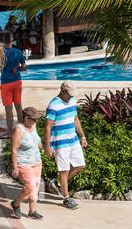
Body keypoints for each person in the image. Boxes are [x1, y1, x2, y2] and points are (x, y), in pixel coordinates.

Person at [44, 80, 87, 209]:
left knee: (80, 165)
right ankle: (66, 198)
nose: (72, 96)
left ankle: (60, 184)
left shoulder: (72, 101)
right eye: (70, 93)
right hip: (60, 142)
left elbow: (75, 119)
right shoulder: (54, 105)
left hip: (73, 139)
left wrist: (82, 135)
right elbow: (47, 127)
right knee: (64, 170)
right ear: (63, 91)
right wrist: (47, 146)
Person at [8, 106, 45, 220]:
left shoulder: (33, 126)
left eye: (36, 119)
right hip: (24, 162)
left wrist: (47, 149)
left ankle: (32, 211)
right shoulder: (18, 130)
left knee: (36, 187)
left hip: (37, 162)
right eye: (34, 119)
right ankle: (15, 204)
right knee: (29, 186)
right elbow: (14, 149)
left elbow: (37, 142)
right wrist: (15, 167)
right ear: (26, 118)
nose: (36, 121)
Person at [0, 36, 27, 137]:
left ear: (3, 42)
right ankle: (21, 129)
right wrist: (17, 69)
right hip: (16, 82)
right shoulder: (18, 52)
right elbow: (24, 67)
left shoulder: (0, 53)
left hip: (6, 83)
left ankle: (9, 132)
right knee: (19, 106)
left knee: (8, 109)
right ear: (12, 41)